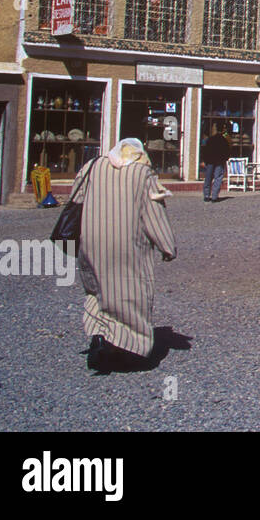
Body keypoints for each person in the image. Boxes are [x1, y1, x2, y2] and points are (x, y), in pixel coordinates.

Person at [74, 137, 176, 374]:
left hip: (91, 242)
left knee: (97, 290)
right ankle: (128, 350)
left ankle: (100, 334)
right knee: (131, 294)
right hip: (127, 245)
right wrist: (167, 246)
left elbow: (75, 200)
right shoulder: (143, 175)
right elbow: (154, 214)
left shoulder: (92, 166)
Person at [201, 124, 231, 203]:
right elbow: (227, 151)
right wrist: (225, 159)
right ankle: (214, 196)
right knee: (218, 178)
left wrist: (204, 160)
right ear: (223, 131)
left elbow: (205, 150)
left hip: (210, 161)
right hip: (220, 161)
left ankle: (206, 195)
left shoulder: (210, 139)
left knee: (208, 178)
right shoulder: (224, 140)